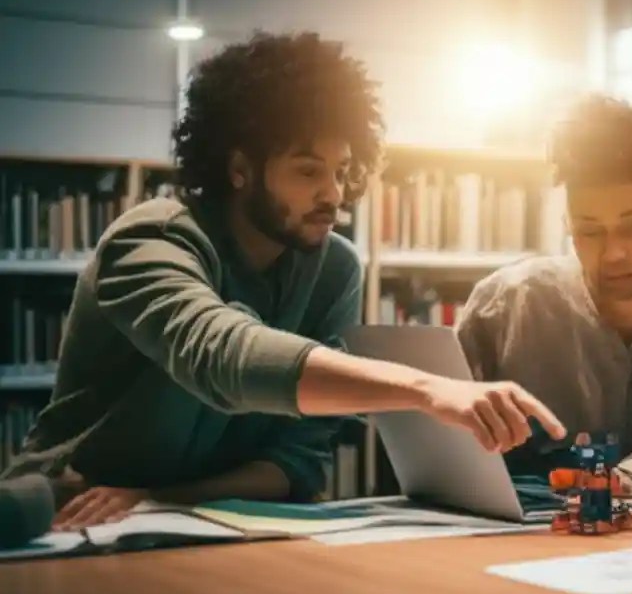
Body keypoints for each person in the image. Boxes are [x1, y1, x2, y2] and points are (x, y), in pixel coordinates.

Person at [1, 31, 563, 530]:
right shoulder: (149, 240)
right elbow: (223, 354)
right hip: (61, 516)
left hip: (191, 525)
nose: (334, 195)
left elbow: (295, 462)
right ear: (240, 167)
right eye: (308, 169)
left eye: (341, 172)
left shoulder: (334, 268)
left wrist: (158, 499)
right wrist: (428, 389)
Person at [456, 95, 632, 496]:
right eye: (590, 231)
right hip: (513, 527)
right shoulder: (505, 303)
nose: (613, 254)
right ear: (568, 227)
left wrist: (626, 480)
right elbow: (448, 442)